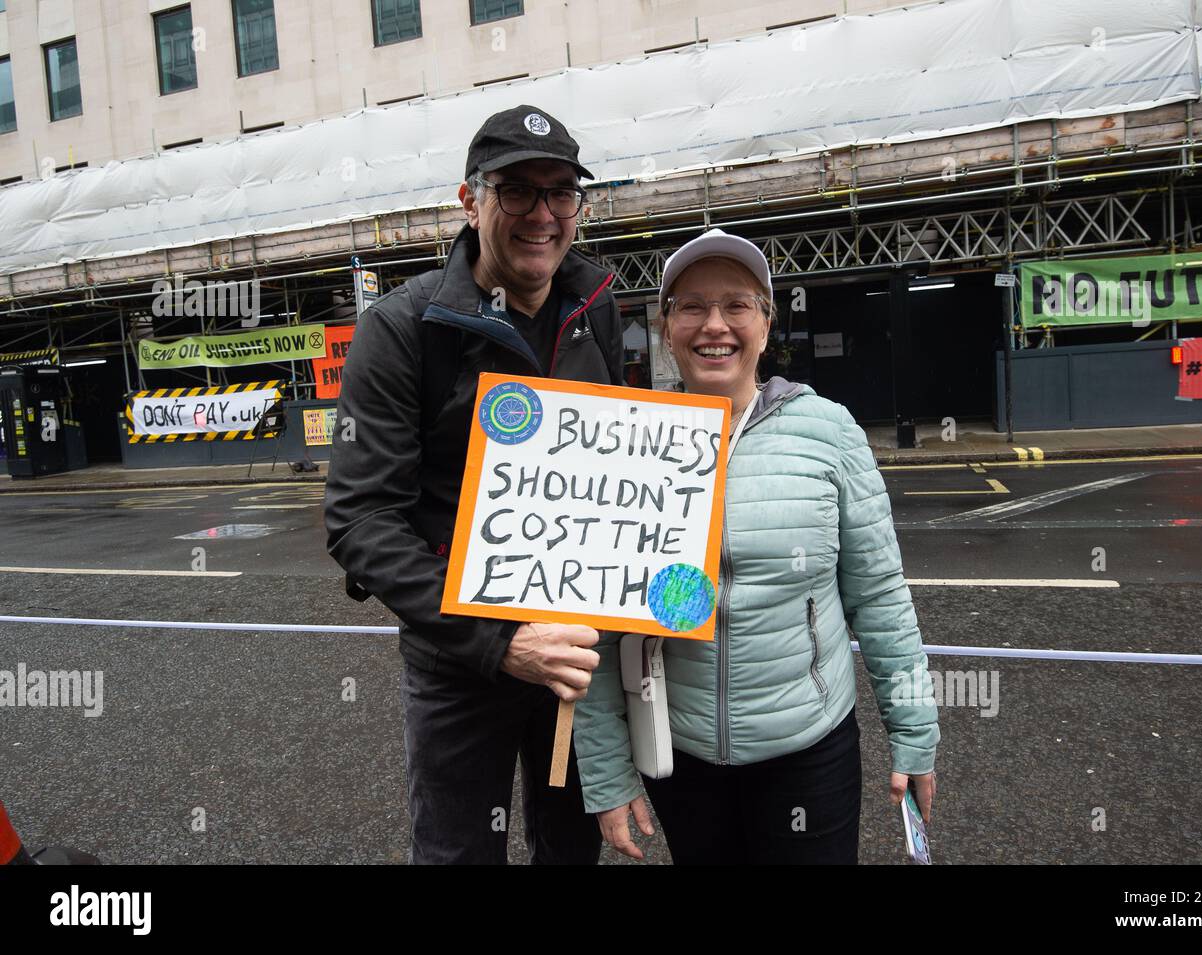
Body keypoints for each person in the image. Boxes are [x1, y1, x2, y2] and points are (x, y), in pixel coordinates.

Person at [573, 229, 939, 864]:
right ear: (666, 328)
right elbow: (596, 625)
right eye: (691, 306)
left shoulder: (828, 431)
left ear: (766, 325)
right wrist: (606, 773)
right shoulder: (630, 444)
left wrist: (913, 733)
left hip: (809, 755)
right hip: (681, 760)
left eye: (737, 304)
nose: (715, 324)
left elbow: (880, 597)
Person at [324, 105, 623, 864]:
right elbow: (361, 522)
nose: (543, 214)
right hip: (459, 665)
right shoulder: (400, 328)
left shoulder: (598, 305)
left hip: (574, 654)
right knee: (460, 854)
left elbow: (617, 467)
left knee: (572, 849)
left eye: (561, 192)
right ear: (470, 199)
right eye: (516, 190)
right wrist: (499, 640)